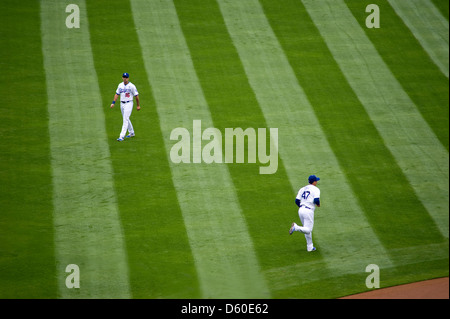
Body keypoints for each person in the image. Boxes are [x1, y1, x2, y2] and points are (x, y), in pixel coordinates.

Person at [289, 175, 321, 252]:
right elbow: (316, 199)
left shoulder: (302, 188)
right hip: (308, 211)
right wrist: (318, 204)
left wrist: (302, 207)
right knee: (308, 229)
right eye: (316, 181)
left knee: (305, 228)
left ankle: (310, 247)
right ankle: (296, 227)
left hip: (301, 210)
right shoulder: (316, 189)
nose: (317, 182)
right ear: (313, 182)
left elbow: (296, 201)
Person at [110, 73, 140, 141]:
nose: (125, 78)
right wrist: (113, 103)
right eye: (124, 77)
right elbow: (117, 94)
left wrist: (138, 105)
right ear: (122, 77)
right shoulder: (120, 85)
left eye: (126, 77)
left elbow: (136, 96)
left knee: (125, 119)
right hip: (122, 104)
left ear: (128, 78)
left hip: (129, 103)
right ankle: (132, 132)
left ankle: (121, 136)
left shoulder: (132, 86)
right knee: (126, 118)